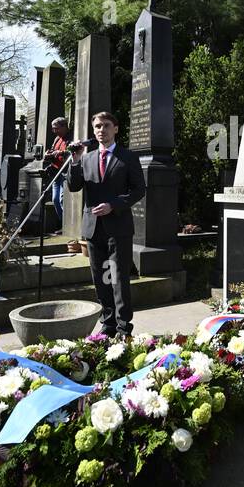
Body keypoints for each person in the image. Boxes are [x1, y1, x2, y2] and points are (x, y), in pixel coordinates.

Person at [65, 111, 146, 338]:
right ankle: (108, 324)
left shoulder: (128, 157)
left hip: (118, 226)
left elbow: (139, 190)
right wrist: (75, 160)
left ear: (116, 128)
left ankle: (123, 327)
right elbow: (74, 186)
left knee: (119, 278)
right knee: (100, 278)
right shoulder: (87, 158)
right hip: (93, 228)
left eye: (106, 125)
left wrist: (114, 205)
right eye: (97, 126)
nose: (101, 130)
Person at [46, 117, 71, 229]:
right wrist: (49, 153)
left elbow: (72, 151)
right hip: (56, 172)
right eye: (53, 129)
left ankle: (66, 227)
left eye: (56, 128)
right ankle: (63, 224)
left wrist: (59, 152)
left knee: (62, 200)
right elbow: (52, 149)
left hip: (65, 172)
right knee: (55, 200)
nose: (54, 131)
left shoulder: (71, 137)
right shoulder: (57, 139)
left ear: (64, 127)